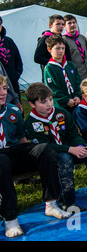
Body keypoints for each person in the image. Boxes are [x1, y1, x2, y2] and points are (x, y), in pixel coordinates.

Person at [24, 82, 87, 212]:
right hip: (52, 156)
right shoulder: (30, 123)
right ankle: (68, 202)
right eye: (43, 102)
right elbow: (45, 146)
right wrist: (70, 149)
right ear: (32, 104)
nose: (49, 104)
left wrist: (79, 145)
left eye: (50, 100)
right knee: (65, 158)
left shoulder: (61, 113)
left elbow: (74, 133)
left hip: (71, 149)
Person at [0, 75, 70, 238]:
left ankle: (51, 203)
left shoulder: (13, 110)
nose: (3, 93)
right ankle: (10, 218)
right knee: (1, 160)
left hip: (11, 152)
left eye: (4, 88)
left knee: (43, 149)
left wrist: (32, 152)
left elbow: (21, 139)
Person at [43, 36, 82, 113]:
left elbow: (78, 83)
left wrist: (78, 96)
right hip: (61, 106)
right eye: (57, 48)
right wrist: (66, 100)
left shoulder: (70, 65)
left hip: (75, 102)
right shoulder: (49, 68)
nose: (61, 51)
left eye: (62, 48)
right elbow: (52, 89)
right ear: (49, 50)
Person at [34, 14, 72, 80]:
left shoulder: (63, 39)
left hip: (64, 72)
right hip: (51, 73)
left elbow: (68, 56)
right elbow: (37, 57)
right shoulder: (45, 39)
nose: (61, 26)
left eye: (62, 24)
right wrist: (54, 63)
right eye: (58, 24)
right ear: (50, 25)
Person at [0, 16, 23, 97]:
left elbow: (18, 59)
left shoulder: (8, 41)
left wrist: (16, 74)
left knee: (16, 104)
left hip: (12, 80)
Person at [63, 14, 87, 80]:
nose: (72, 25)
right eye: (69, 23)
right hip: (77, 74)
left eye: (74, 22)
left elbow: (86, 53)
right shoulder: (63, 40)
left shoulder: (82, 38)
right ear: (64, 26)